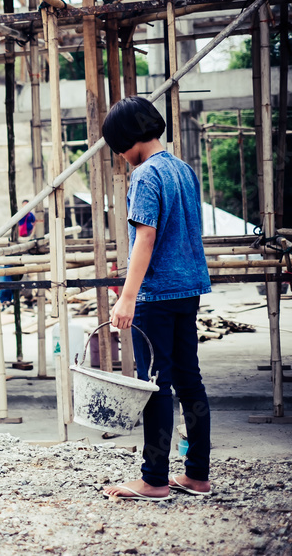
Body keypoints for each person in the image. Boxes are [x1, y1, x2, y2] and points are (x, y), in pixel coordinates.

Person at [100, 98, 212, 501]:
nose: (119, 156)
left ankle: (154, 479)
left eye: (117, 147)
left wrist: (126, 297)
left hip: (157, 293)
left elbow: (145, 237)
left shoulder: (144, 176)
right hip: (189, 288)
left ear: (128, 139)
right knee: (189, 381)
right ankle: (197, 474)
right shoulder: (183, 170)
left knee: (156, 385)